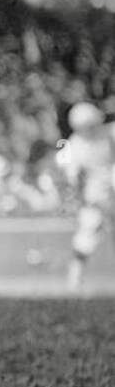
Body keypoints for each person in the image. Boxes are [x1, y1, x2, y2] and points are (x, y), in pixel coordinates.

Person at [61, 102, 115, 291]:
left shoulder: (109, 133)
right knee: (86, 235)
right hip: (94, 197)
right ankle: (75, 277)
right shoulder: (75, 144)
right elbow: (73, 177)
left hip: (111, 190)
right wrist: (80, 199)